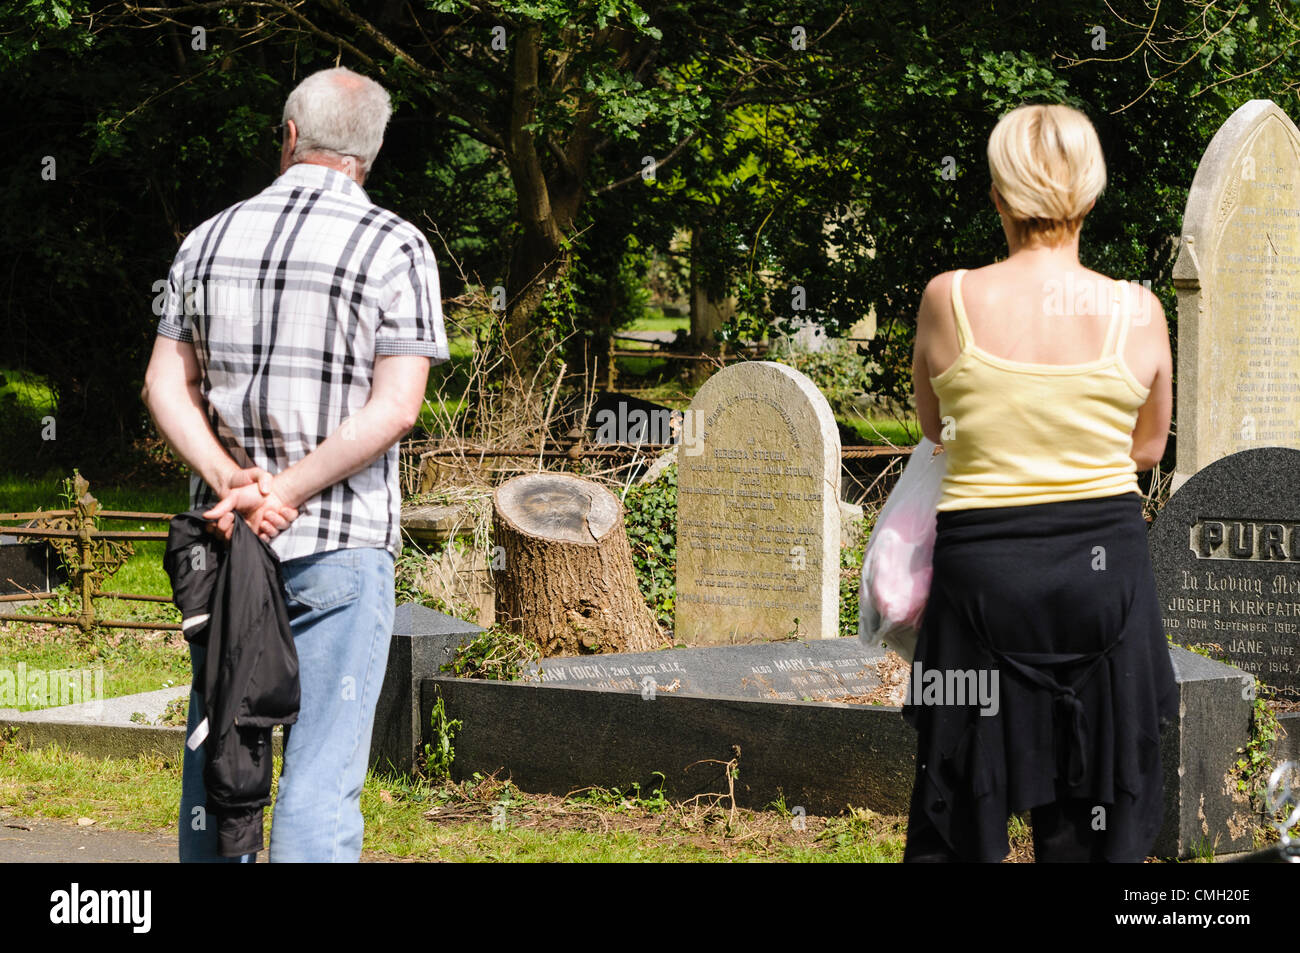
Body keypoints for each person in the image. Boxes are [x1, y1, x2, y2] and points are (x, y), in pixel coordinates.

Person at [141, 66, 448, 862]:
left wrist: (232, 481)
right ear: (371, 152)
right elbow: (397, 406)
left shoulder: (206, 238)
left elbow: (163, 383)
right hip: (339, 547)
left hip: (226, 543)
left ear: (288, 134)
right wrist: (291, 487)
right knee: (320, 774)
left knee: (218, 748)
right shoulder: (397, 246)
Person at [905, 103, 1178, 862]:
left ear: (997, 196)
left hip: (983, 580)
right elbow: (1148, 447)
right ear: (1091, 198)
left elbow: (935, 429)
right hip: (1103, 578)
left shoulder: (946, 299)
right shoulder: (1139, 310)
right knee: (1094, 807)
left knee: (960, 800)